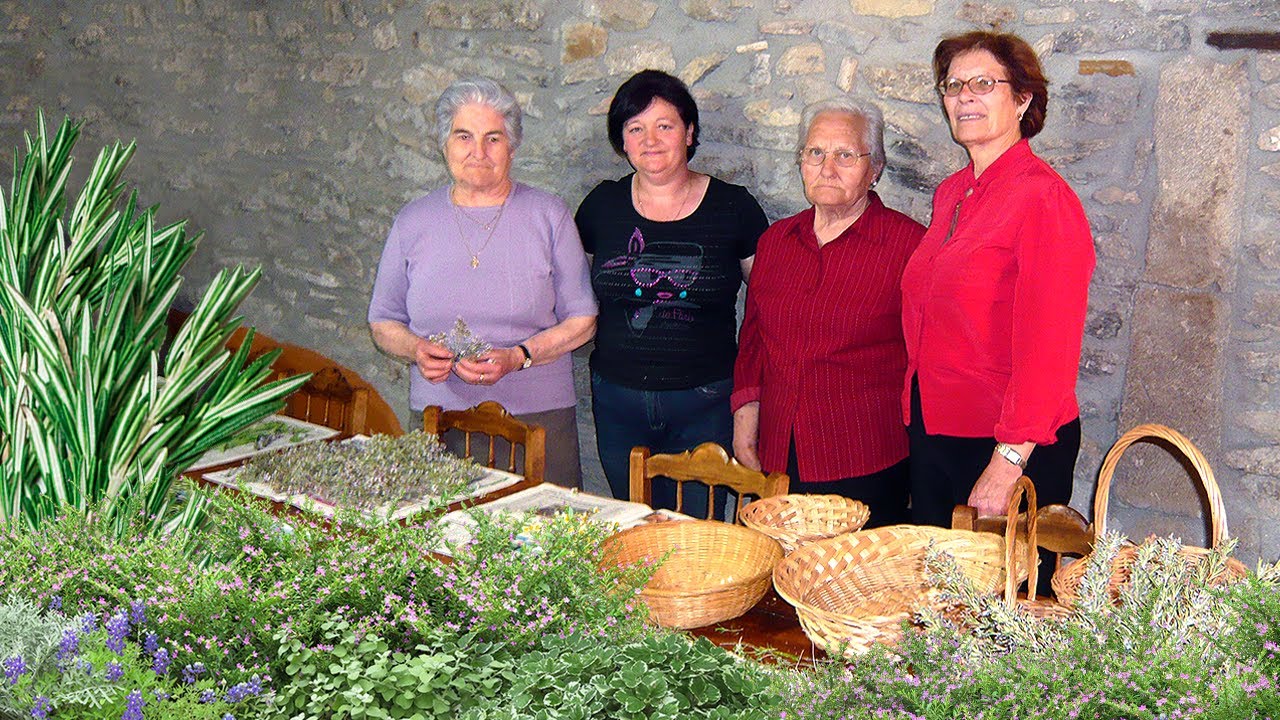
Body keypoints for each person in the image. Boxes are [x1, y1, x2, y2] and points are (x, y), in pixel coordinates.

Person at [902, 31, 1095, 526]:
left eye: (984, 83)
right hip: (937, 430)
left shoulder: (1043, 199)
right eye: (953, 84)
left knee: (1005, 598)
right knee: (940, 592)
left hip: (1007, 444)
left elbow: (1049, 346)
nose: (964, 95)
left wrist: (1007, 461)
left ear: (1022, 97)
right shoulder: (952, 193)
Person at [368, 77, 597, 489]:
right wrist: (415, 349)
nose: (478, 152)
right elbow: (383, 321)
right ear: (445, 145)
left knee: (543, 543)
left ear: (512, 145)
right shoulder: (413, 221)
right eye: (464, 136)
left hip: (537, 420)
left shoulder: (549, 215)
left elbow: (583, 319)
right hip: (439, 420)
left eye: (493, 138)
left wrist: (519, 356)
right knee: (436, 538)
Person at [575, 69, 769, 510]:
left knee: (695, 536)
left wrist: (752, 401)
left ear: (690, 132)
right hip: (617, 400)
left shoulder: (733, 208)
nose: (650, 139)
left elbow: (767, 307)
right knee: (635, 528)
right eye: (635, 128)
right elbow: (572, 294)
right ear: (622, 141)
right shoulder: (601, 207)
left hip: (705, 403)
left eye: (665, 125)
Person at [731, 99, 925, 528]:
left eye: (845, 155)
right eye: (815, 153)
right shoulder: (777, 242)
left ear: (874, 169)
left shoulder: (909, 247)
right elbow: (754, 338)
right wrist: (746, 416)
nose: (827, 168)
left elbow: (927, 360)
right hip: (779, 453)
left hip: (865, 457)